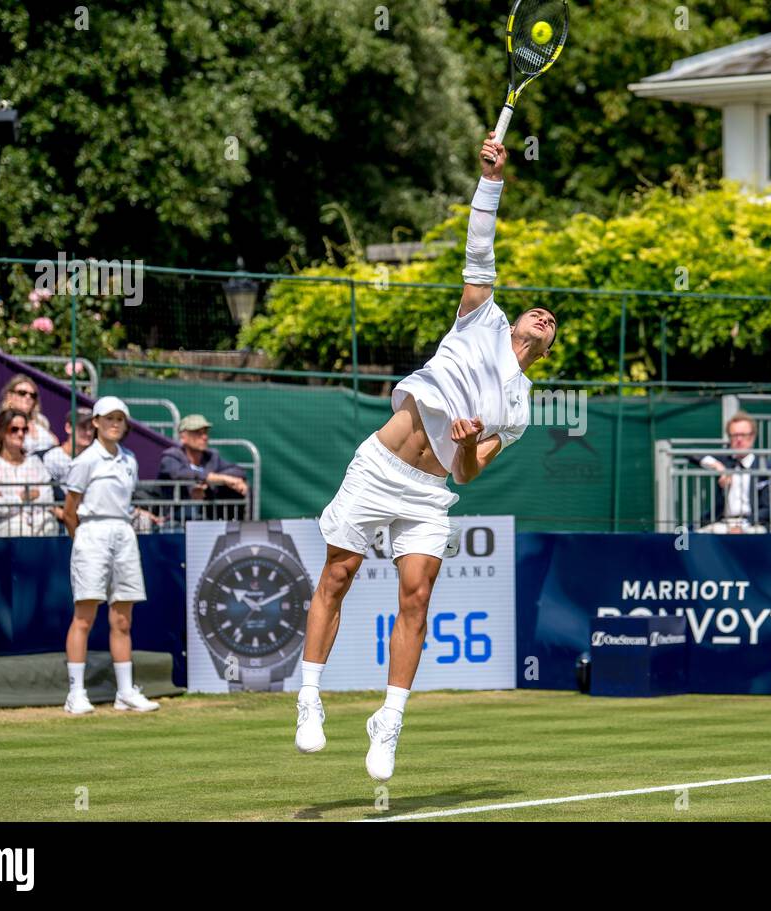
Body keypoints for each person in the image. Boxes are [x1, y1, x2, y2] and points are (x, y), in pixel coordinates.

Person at [296, 133, 555, 782]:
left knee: (417, 596)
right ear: (514, 319)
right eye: (537, 311)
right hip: (379, 465)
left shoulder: (518, 408)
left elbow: (468, 472)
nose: (545, 316)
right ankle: (309, 696)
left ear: (545, 350)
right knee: (338, 574)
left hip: (429, 493)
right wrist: (493, 179)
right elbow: (479, 240)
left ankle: (390, 719)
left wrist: (466, 441)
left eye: (554, 323)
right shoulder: (481, 315)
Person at [59, 396, 163, 715]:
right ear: (95, 423)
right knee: (85, 616)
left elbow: (124, 503)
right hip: (91, 534)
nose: (114, 424)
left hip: (124, 533)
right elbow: (69, 511)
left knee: (122, 618)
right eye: (108, 418)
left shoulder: (130, 460)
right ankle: (76, 693)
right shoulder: (86, 460)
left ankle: (125, 693)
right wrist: (84, 540)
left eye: (120, 419)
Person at [0, 408, 58, 537]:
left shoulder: (35, 462)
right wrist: (23, 497)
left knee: (49, 522)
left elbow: (47, 499)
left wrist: (10, 500)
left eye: (24, 429)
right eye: (14, 429)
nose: (20, 434)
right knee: (18, 527)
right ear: (1, 432)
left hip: (39, 523)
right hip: (6, 528)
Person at [158, 414, 250, 520]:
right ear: (183, 437)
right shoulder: (171, 456)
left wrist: (211, 483)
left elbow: (238, 471)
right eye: (198, 433)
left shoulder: (211, 456)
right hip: (173, 520)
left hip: (208, 518)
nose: (204, 437)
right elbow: (179, 473)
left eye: (205, 433)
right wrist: (215, 479)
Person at [693, 412, 771, 532]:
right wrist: (717, 466)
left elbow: (767, 509)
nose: (739, 440)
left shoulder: (765, 466)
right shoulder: (724, 459)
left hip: (752, 524)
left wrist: (743, 526)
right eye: (734, 435)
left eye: (744, 435)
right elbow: (692, 453)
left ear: (753, 436)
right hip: (722, 523)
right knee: (695, 538)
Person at [0, 374, 57, 455]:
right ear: (9, 396)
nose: (28, 397)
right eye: (22, 393)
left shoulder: (41, 420)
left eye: (33, 395)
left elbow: (55, 442)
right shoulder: (2, 421)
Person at [41, 407, 94, 485]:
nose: (89, 433)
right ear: (68, 428)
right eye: (83, 427)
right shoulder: (53, 458)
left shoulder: (95, 457)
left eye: (92, 428)